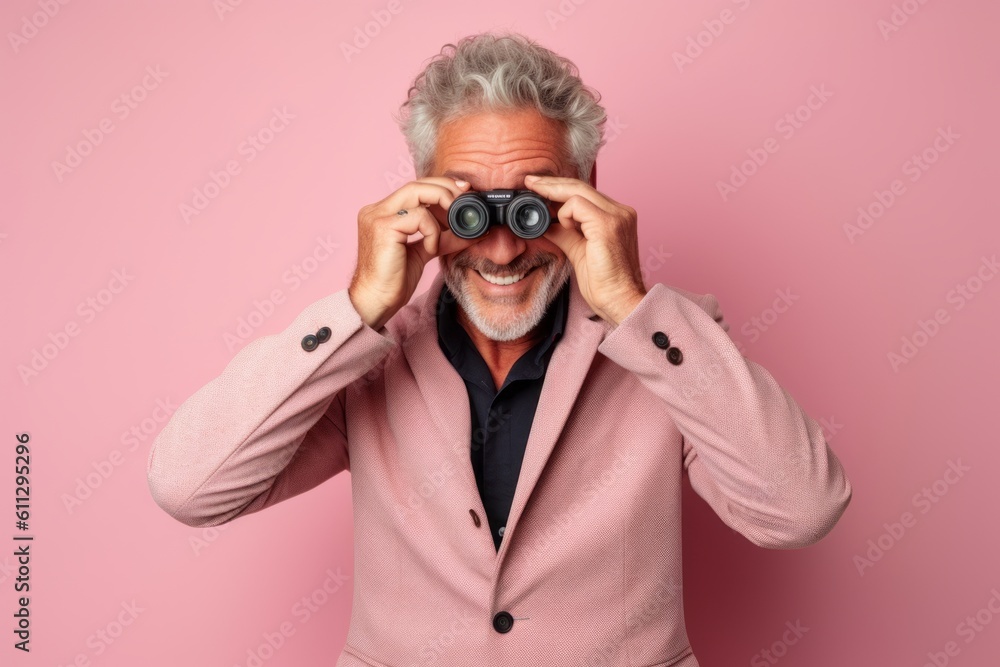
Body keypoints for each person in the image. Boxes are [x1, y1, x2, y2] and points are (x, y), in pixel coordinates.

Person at [147, 32, 851, 667]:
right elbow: (190, 486)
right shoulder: (367, 357)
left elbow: (801, 509)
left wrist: (630, 305)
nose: (503, 246)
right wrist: (361, 306)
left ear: (586, 192)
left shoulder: (668, 344)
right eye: (470, 210)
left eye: (529, 206)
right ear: (423, 197)